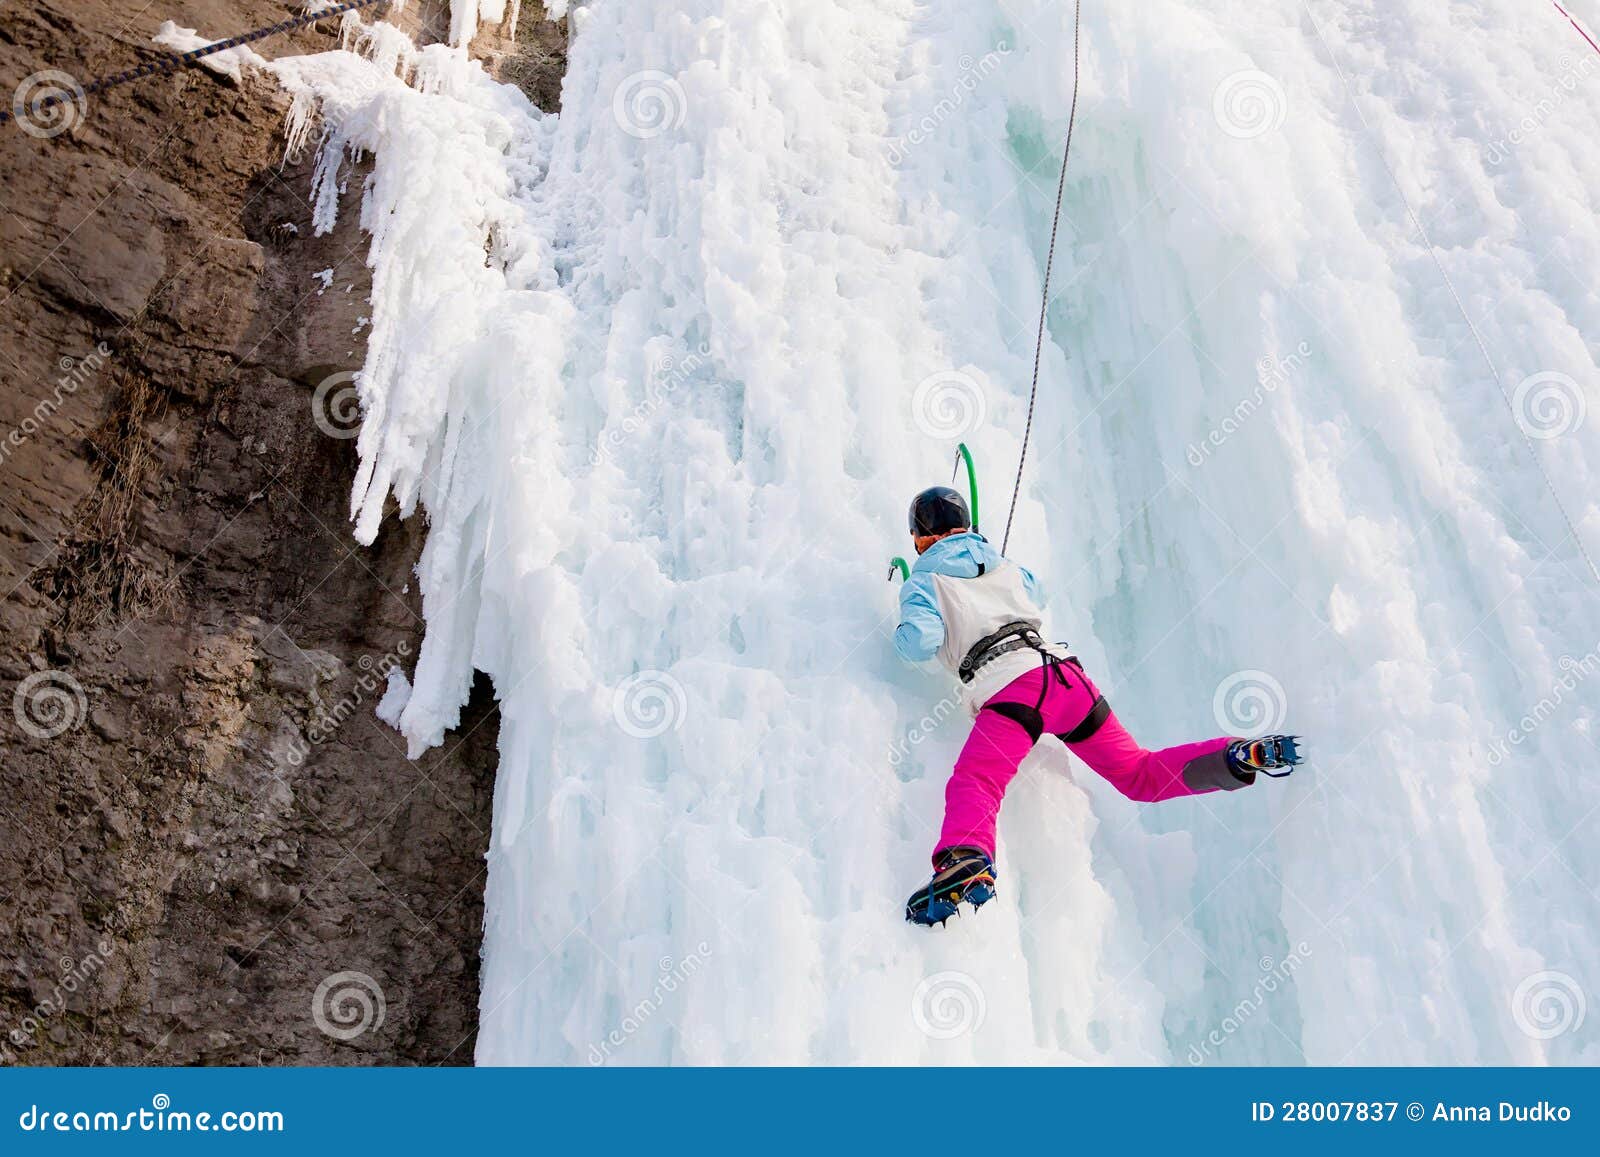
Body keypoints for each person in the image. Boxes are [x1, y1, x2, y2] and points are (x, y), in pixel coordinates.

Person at [894, 485, 1302, 927]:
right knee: (1138, 773)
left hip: (1013, 688)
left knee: (977, 779)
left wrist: (904, 620)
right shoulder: (1005, 566)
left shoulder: (924, 583)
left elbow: (919, 644)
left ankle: (967, 856)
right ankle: (1238, 756)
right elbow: (1037, 591)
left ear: (922, 539)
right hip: (1067, 679)